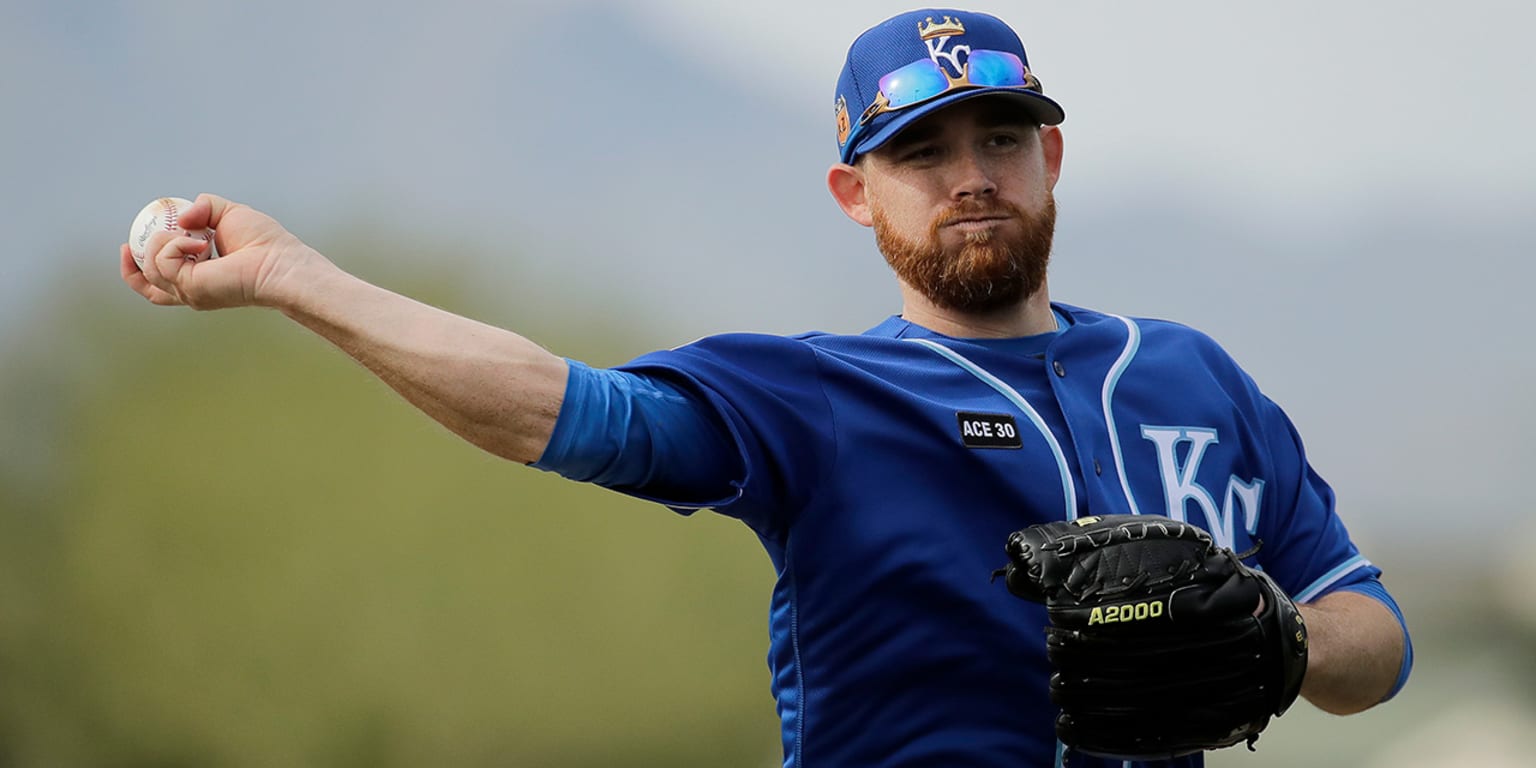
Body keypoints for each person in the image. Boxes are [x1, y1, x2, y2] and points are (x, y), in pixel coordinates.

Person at [120, 8, 1412, 768]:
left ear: (1051, 156)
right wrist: (301, 279)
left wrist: (1279, 636)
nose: (971, 172)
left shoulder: (1189, 376)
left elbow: (1372, 638)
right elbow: (555, 409)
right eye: (921, 150)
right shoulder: (814, 398)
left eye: (1001, 137)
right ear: (856, 192)